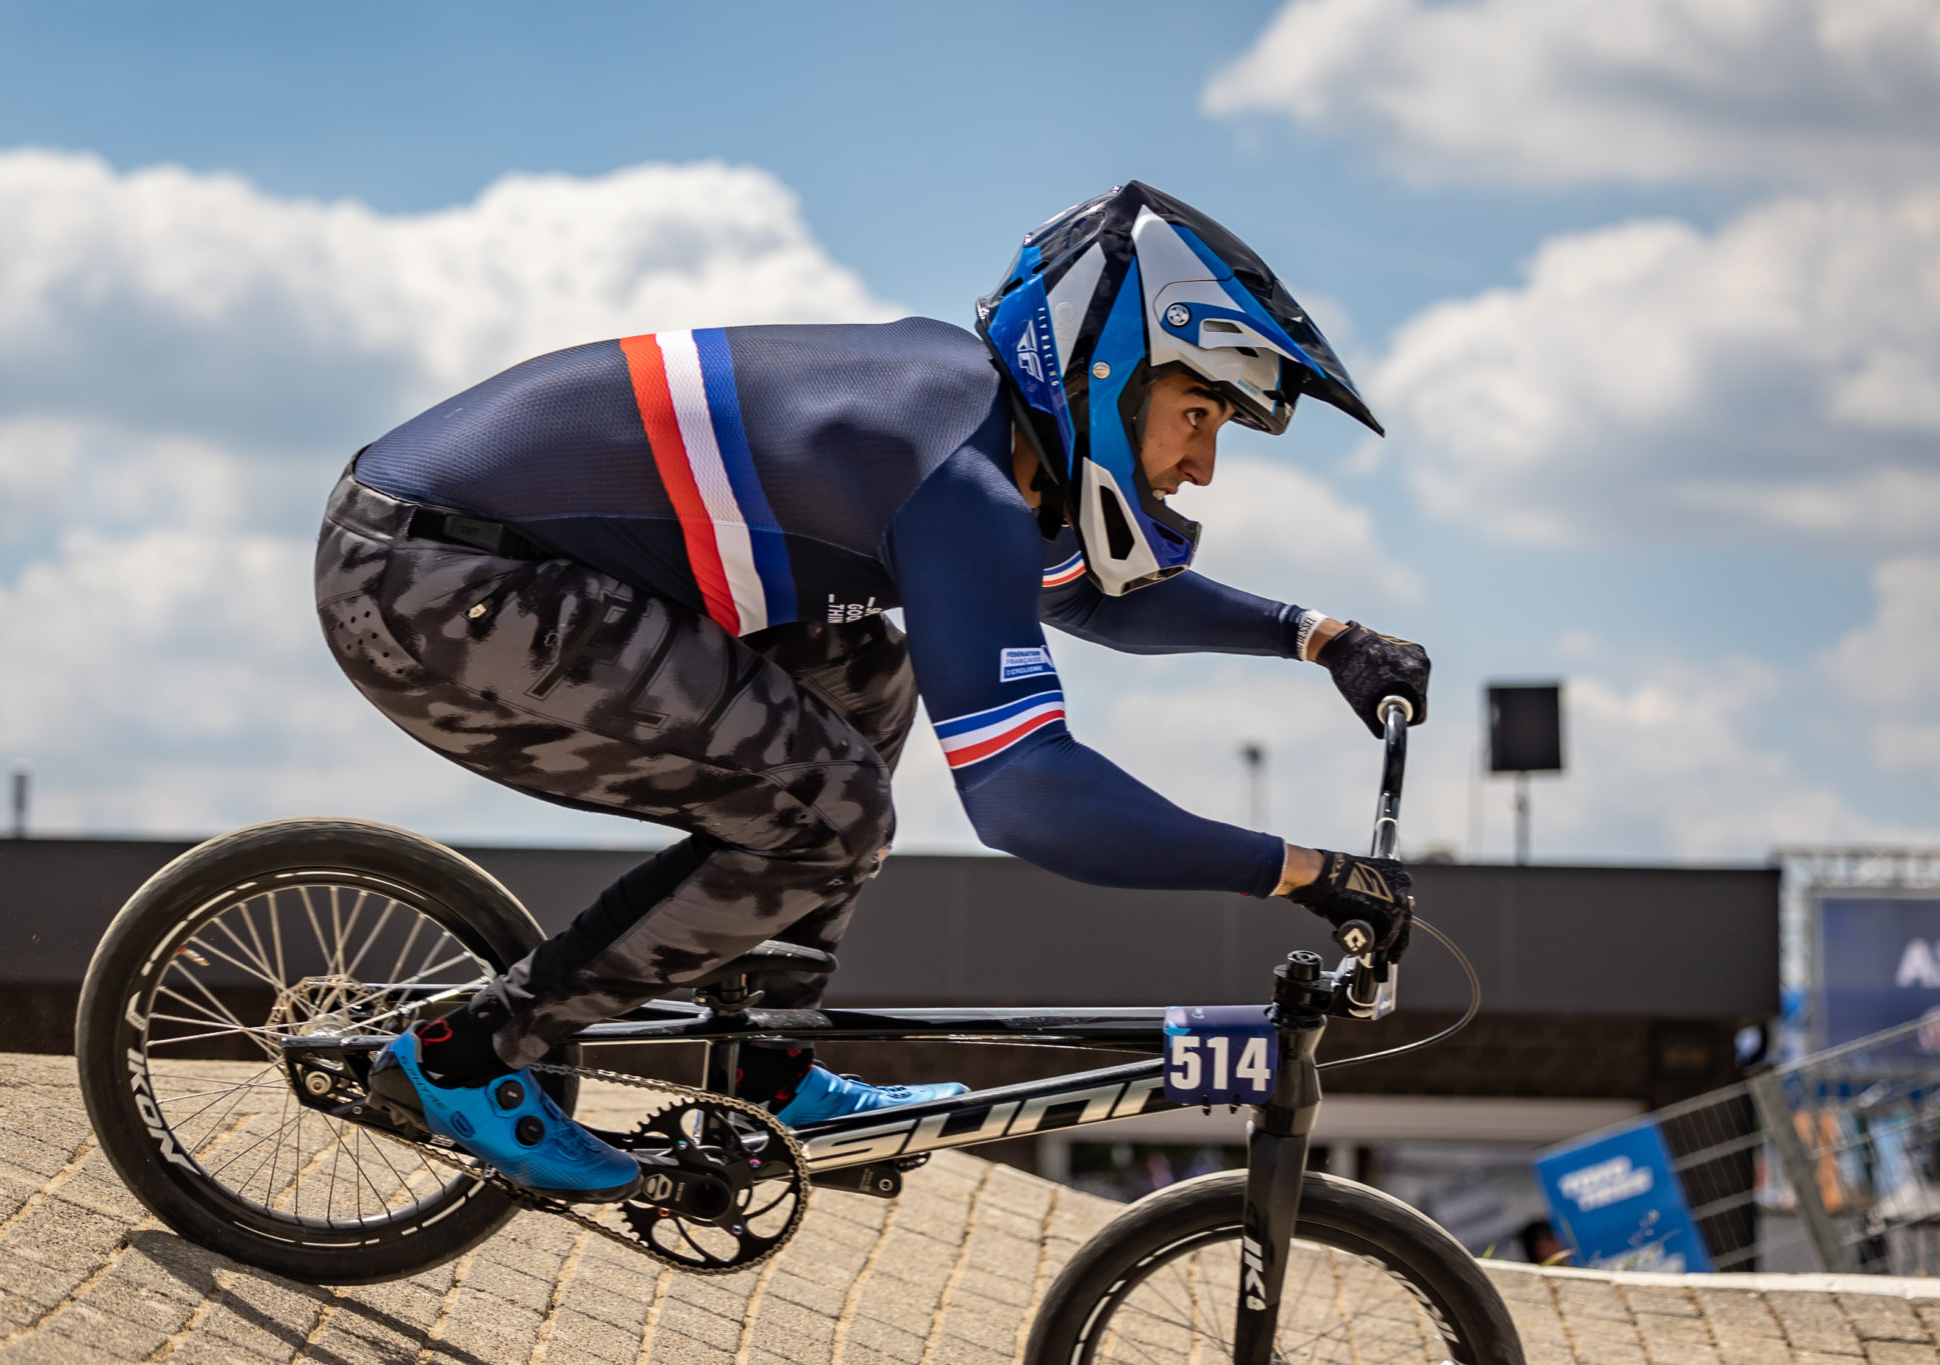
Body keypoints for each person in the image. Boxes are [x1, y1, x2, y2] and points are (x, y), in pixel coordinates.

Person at [319, 182, 1429, 1200]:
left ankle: (762, 1061)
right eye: (1200, 415)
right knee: (825, 814)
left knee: (864, 680)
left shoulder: (969, 426)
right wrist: (1293, 872)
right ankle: (465, 1056)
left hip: (473, 559)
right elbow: (1025, 799)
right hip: (429, 580)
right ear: (1109, 372)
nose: (1200, 467)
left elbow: (1086, 595)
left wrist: (1317, 638)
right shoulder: (958, 476)